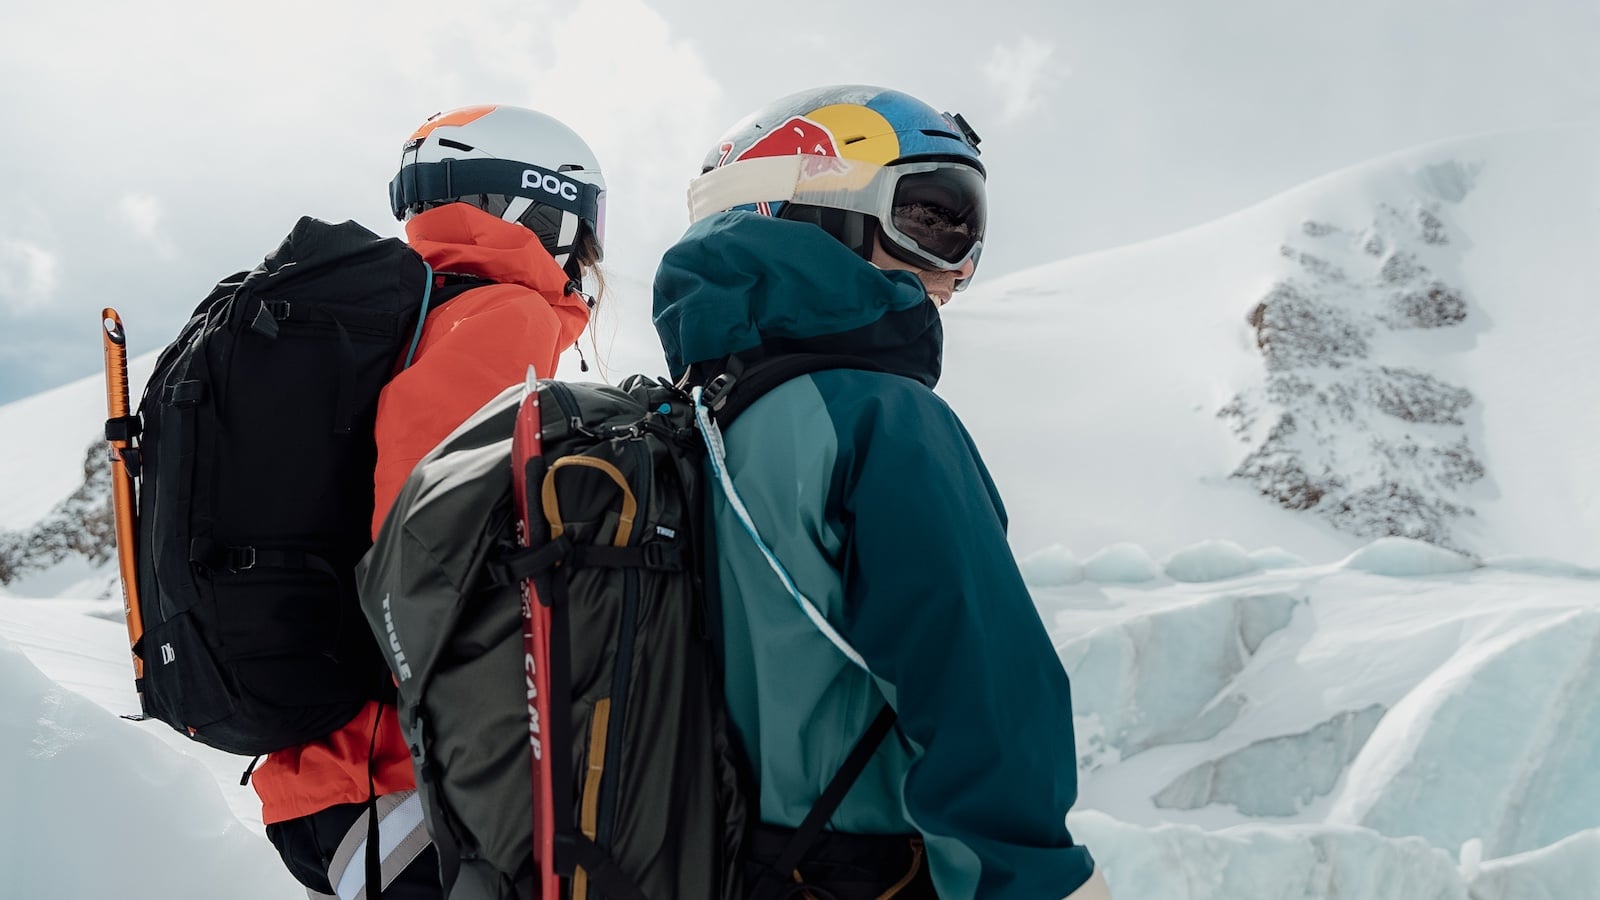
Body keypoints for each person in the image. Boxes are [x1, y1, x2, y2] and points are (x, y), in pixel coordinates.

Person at [652, 85, 1111, 899]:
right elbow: (987, 698)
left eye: (966, 235)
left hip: (702, 865)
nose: (958, 265)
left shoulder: (684, 420)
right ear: (816, 205)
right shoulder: (883, 418)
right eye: (932, 217)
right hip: (856, 874)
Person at [252, 104, 607, 900]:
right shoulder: (500, 316)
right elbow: (426, 538)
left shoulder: (406, 316)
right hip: (413, 783)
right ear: (538, 205)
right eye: (586, 223)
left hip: (332, 775)